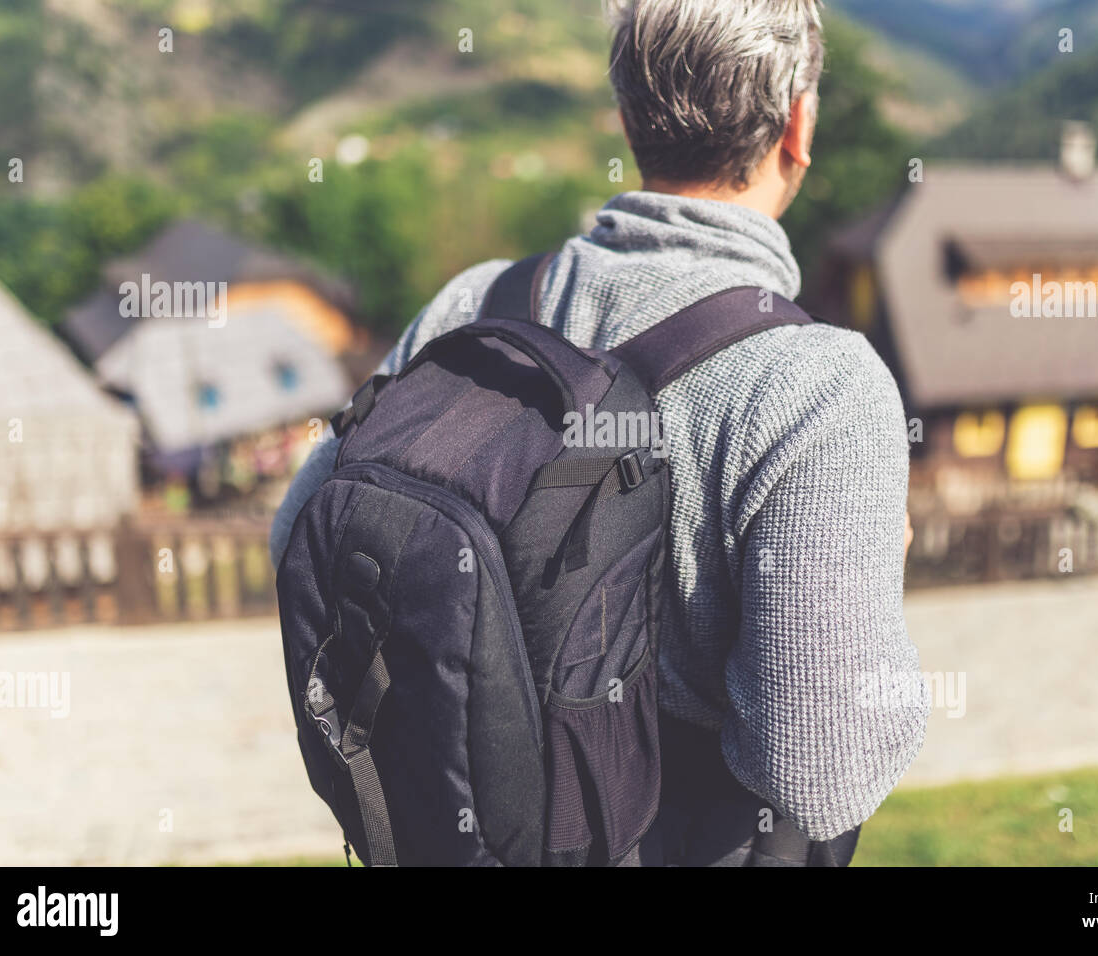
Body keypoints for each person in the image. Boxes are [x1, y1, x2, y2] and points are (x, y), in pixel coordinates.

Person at [271, 0, 928, 866]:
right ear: (799, 124)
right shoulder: (819, 387)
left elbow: (297, 532)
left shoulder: (477, 304)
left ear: (628, 117)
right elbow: (818, 772)